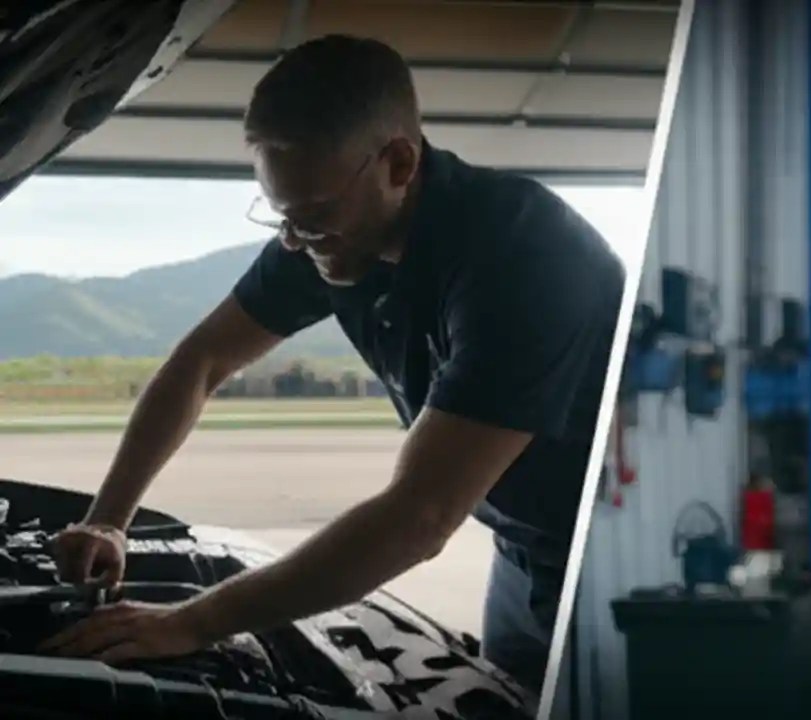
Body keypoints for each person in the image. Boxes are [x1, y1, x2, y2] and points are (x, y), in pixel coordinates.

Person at [36, 34, 624, 697]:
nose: (294, 241)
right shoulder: (332, 232)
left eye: (312, 217)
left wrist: (193, 623)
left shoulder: (524, 255)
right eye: (281, 217)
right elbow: (201, 361)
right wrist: (109, 518)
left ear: (399, 163)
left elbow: (420, 517)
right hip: (522, 554)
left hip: (622, 558)